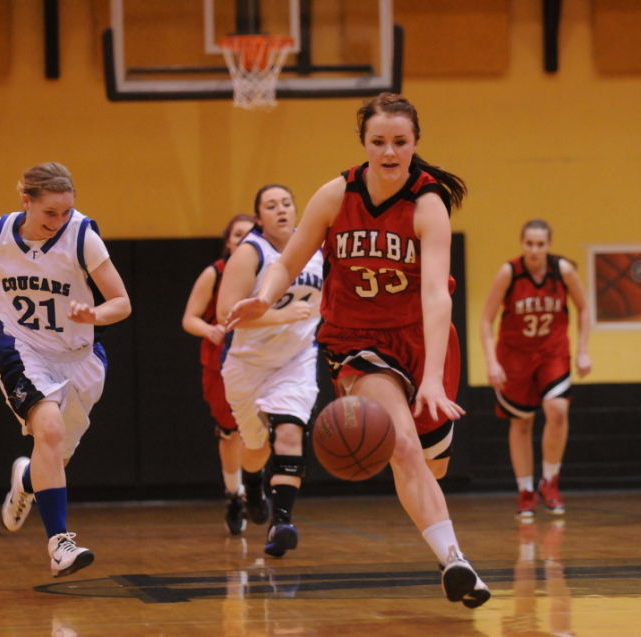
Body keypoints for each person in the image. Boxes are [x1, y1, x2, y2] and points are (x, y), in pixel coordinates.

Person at [225, 92, 491, 608]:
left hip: (420, 340)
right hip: (357, 343)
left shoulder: (429, 204)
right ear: (363, 143)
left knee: (430, 466)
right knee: (403, 446)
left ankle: (447, 544)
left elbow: (437, 296)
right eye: (379, 142)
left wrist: (433, 378)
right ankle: (456, 561)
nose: (389, 152)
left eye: (400, 142)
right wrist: (262, 297)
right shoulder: (335, 194)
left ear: (416, 143)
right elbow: (287, 259)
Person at [0, 162, 131, 576]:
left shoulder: (83, 238)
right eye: (50, 212)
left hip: (80, 358)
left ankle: (26, 482)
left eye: (66, 212)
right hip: (22, 347)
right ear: (26, 202)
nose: (59, 221)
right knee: (48, 430)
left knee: (54, 456)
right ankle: (60, 545)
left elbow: (122, 302)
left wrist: (95, 313)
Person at [216, 184, 323, 558]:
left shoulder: (318, 247)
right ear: (259, 217)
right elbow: (225, 314)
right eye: (271, 206)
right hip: (247, 365)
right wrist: (279, 314)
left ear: (297, 210)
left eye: (287, 203)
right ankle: (250, 482)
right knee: (256, 446)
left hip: (296, 359)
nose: (281, 210)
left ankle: (282, 521)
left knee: (291, 432)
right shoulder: (250, 253)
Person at [480, 219, 591, 519]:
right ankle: (526, 491)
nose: (534, 249)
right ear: (522, 242)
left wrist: (582, 350)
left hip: (551, 353)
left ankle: (550, 482)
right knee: (521, 423)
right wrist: (491, 362)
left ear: (549, 245)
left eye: (540, 244)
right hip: (514, 356)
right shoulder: (509, 273)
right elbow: (485, 320)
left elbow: (584, 307)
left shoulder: (563, 271)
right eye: (529, 243)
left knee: (557, 409)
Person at [181, 213, 255, 535]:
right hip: (221, 364)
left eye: (250, 235)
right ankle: (234, 493)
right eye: (238, 235)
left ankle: (263, 492)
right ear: (228, 241)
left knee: (269, 429)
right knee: (230, 432)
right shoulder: (214, 273)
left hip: (262, 360)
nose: (243, 240)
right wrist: (209, 330)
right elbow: (190, 318)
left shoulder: (271, 272)